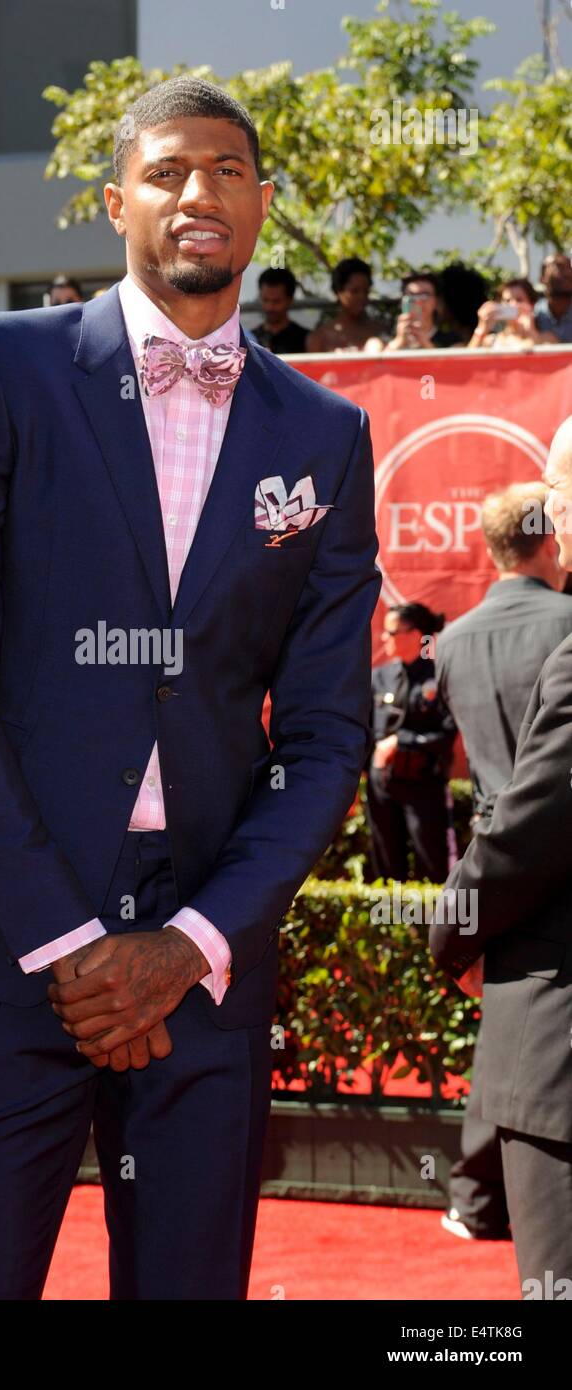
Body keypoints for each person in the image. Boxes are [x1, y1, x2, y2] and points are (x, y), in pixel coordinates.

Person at [0, 74, 381, 1301]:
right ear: (114, 202)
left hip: (203, 966)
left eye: (226, 171)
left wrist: (189, 944)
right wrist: (71, 943)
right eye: (166, 171)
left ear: (262, 205)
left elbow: (323, 736)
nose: (198, 193)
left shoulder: (323, 435)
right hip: (4, 942)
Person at [431, 415, 572, 1297]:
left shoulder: (453, 642)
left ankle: (473, 1195)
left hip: (525, 912)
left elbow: (532, 815)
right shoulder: (561, 626)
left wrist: (455, 932)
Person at [366, 603, 456, 882]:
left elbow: (447, 734)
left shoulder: (437, 677)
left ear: (416, 635)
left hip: (423, 784)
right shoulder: (378, 677)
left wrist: (401, 741)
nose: (384, 639)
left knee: (431, 863)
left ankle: (432, 925)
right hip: (381, 785)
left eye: (392, 633)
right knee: (387, 867)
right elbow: (364, 730)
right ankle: (395, 925)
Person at [306, 257, 389, 353]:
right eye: (354, 291)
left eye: (366, 291)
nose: (362, 297)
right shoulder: (320, 338)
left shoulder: (379, 331)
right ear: (338, 292)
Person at [469, 279, 558, 351]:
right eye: (507, 301)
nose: (513, 305)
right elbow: (466, 363)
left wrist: (530, 330)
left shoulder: (549, 338)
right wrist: (482, 329)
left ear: (532, 304)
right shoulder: (492, 341)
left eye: (519, 300)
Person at [385, 272, 463, 351]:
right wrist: (399, 341)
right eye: (412, 296)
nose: (418, 301)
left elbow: (453, 362)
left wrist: (425, 342)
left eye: (425, 295)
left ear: (437, 302)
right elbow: (377, 361)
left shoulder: (453, 341)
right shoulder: (381, 341)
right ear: (401, 302)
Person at [250, 267, 308, 354]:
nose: (270, 307)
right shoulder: (250, 339)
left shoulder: (306, 340)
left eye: (276, 301)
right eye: (265, 300)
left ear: (290, 300)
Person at [534, 252, 572, 344]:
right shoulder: (534, 314)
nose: (568, 273)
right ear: (542, 279)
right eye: (558, 267)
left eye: (570, 268)